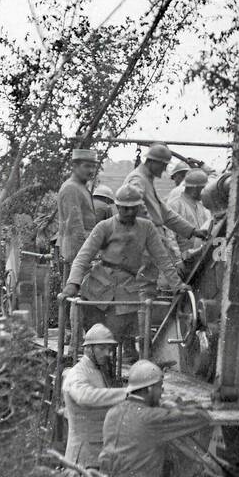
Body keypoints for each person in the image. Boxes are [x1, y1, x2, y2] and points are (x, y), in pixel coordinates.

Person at [63, 184, 183, 367]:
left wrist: (177, 286)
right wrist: (73, 282)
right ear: (117, 207)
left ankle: (126, 358)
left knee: (117, 334)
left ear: (138, 207)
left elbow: (163, 259)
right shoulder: (104, 227)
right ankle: (76, 348)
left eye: (133, 208)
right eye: (124, 208)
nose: (128, 212)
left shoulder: (147, 228)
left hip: (127, 289)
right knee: (88, 323)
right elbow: (83, 256)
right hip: (98, 286)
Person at [99, 360, 212, 477]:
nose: (162, 394)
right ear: (150, 389)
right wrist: (174, 405)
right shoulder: (151, 419)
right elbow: (201, 417)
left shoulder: (113, 412)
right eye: (160, 388)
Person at [123, 143, 210, 253]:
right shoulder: (138, 179)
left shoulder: (146, 180)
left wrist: (193, 231)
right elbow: (133, 204)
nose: (164, 170)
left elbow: (166, 214)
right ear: (152, 162)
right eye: (163, 165)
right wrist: (152, 230)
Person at [61, 324, 128, 467]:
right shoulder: (77, 373)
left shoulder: (97, 371)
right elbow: (85, 396)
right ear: (88, 349)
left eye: (109, 349)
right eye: (102, 349)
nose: (107, 354)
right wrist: (127, 393)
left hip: (96, 455)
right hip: (83, 459)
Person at [57, 149, 101, 280]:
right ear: (74, 166)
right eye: (87, 166)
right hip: (78, 255)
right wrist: (85, 259)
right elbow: (75, 228)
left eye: (93, 166)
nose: (91, 170)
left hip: (84, 253)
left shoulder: (81, 187)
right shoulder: (71, 188)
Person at [165, 168, 213, 262]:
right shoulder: (175, 205)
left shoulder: (201, 206)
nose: (205, 192)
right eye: (203, 188)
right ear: (195, 189)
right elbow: (169, 238)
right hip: (183, 261)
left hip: (198, 259)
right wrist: (178, 261)